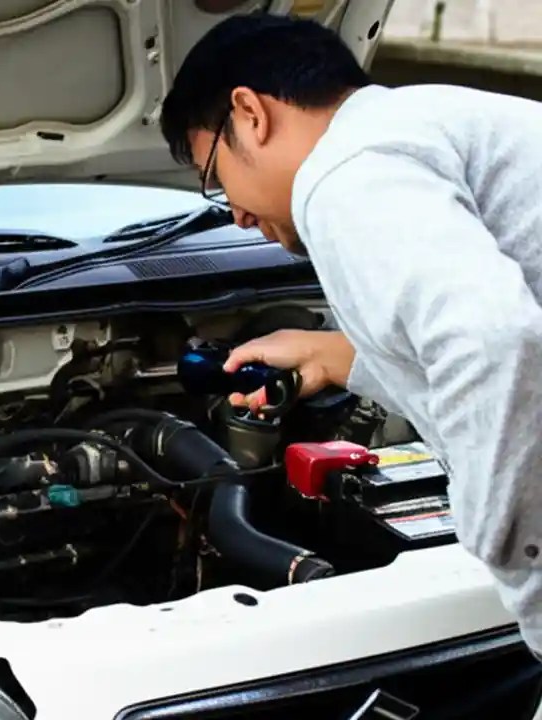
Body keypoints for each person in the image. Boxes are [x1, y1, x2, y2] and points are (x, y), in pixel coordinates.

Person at [159, 11, 542, 680]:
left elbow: (495, 342)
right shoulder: (419, 121)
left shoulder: (345, 175)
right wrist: (332, 355)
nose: (239, 215)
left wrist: (506, 549)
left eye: (215, 179)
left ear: (250, 113)